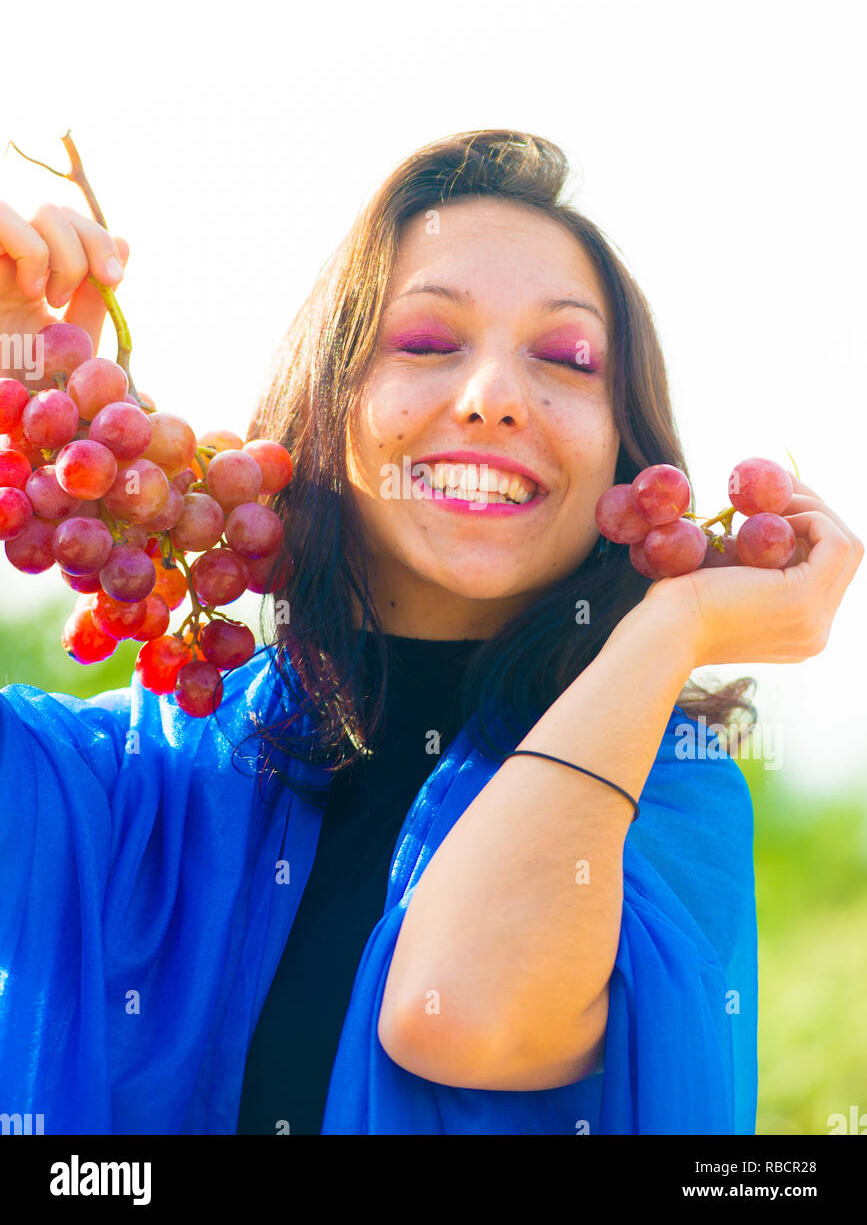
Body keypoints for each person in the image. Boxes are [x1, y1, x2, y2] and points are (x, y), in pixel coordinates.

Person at [0, 130, 861, 1136]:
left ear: (622, 461)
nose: (494, 395)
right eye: (425, 342)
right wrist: (24, 377)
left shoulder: (667, 795)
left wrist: (679, 621)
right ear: (329, 407)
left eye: (567, 359)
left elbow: (456, 1016)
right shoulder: (127, 778)